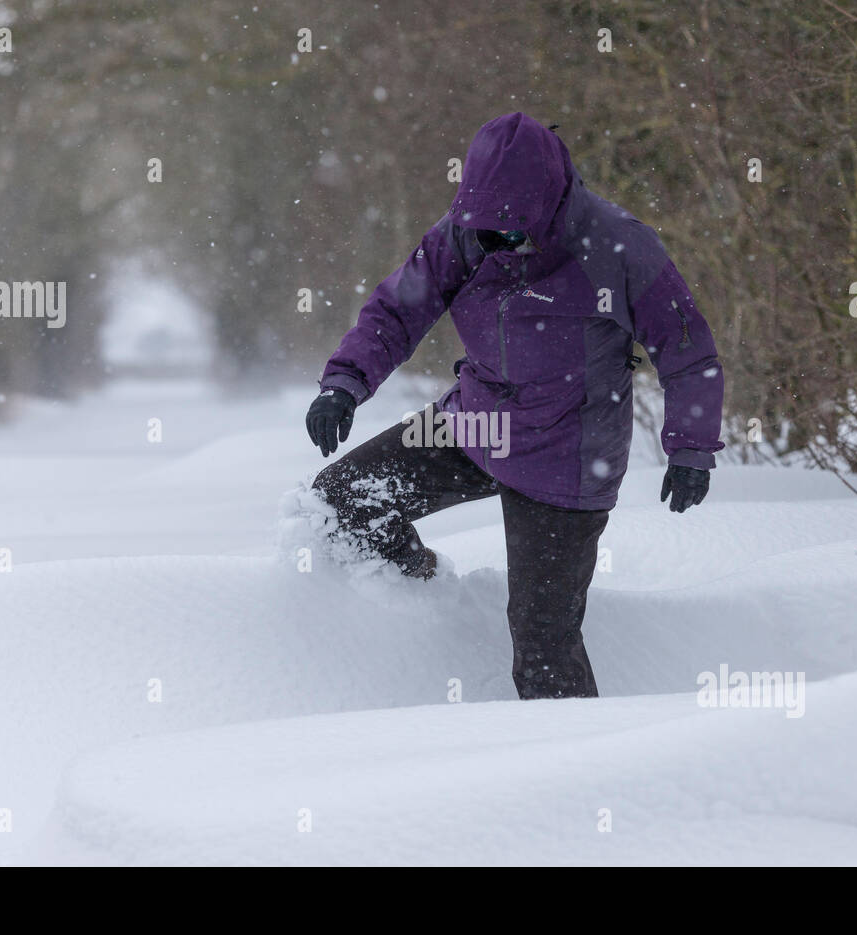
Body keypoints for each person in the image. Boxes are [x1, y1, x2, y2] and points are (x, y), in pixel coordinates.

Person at [304, 111, 724, 700]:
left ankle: (576, 774)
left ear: (551, 205)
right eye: (488, 232)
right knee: (337, 502)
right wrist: (343, 384)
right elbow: (398, 312)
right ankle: (435, 609)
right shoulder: (462, 234)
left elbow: (687, 351)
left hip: (568, 458)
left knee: (544, 645)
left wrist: (693, 447)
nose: (501, 244)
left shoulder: (620, 246)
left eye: (514, 232)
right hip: (476, 425)